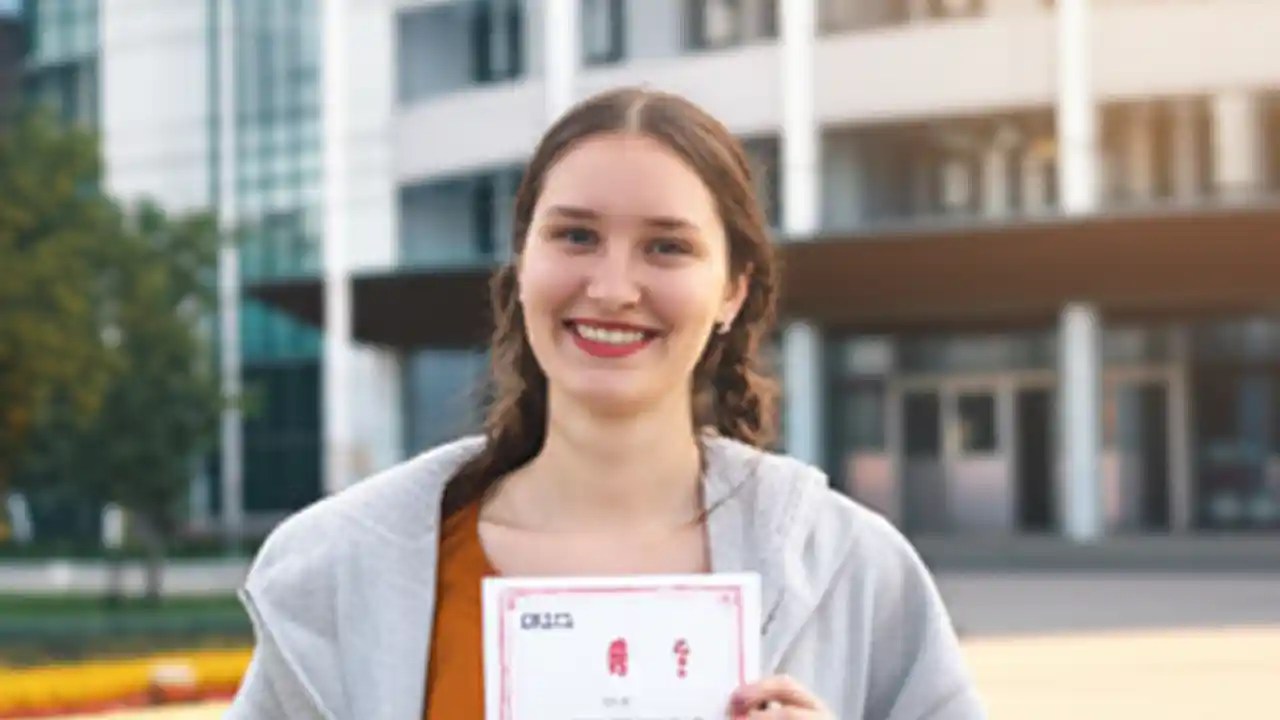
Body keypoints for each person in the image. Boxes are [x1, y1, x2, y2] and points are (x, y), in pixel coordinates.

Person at [227, 87, 986, 720]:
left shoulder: (851, 569)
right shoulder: (352, 567)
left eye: (667, 247)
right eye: (577, 235)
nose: (614, 287)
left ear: (733, 290)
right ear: (523, 263)